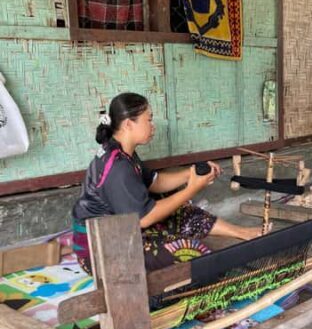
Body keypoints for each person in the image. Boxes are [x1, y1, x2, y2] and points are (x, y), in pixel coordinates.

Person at [72, 92, 264, 273]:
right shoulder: (118, 167)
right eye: (149, 119)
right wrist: (192, 189)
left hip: (119, 231)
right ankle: (161, 298)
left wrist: (191, 174)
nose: (152, 125)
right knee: (191, 253)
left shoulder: (122, 152)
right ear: (129, 124)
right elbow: (144, 218)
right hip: (102, 250)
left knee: (183, 213)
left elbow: (155, 182)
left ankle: (241, 232)